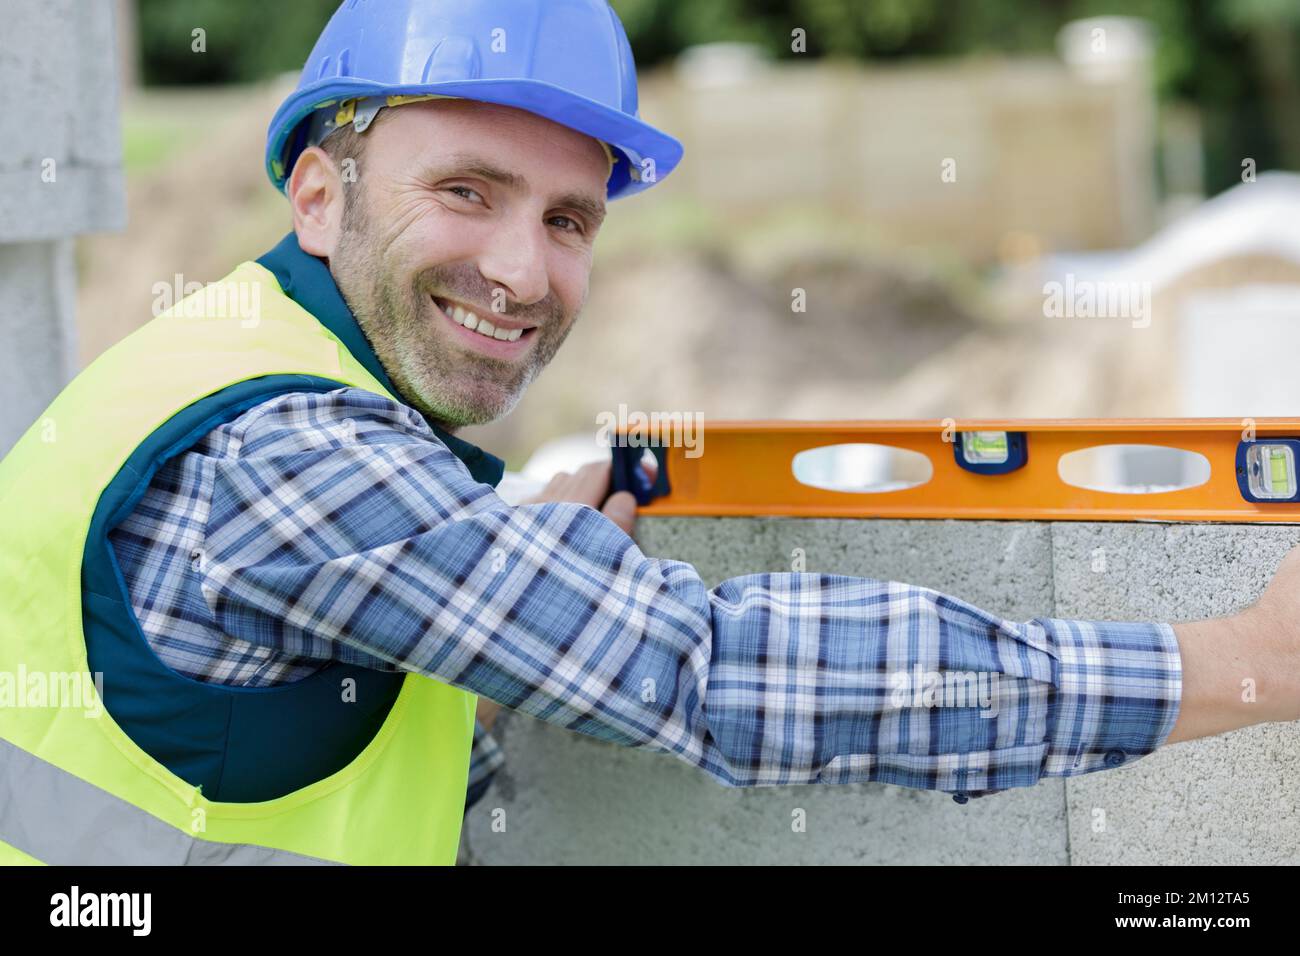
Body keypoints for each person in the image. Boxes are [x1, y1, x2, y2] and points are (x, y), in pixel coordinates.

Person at [3, 0, 1298, 866]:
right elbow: (711, 673)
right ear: (317, 195)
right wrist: (1244, 660)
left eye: (570, 220)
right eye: (467, 192)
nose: (522, 271)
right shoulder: (294, 456)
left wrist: (502, 583)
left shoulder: (226, 362)